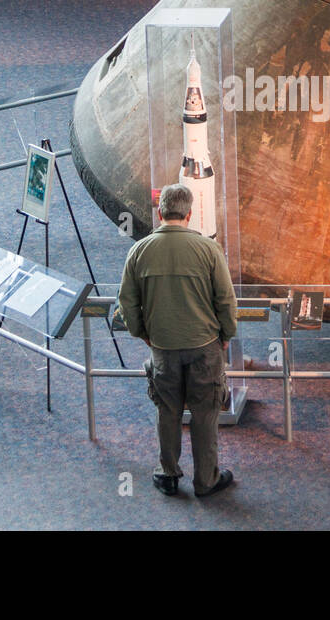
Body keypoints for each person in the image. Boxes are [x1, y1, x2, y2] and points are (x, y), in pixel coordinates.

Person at [117, 183, 238, 498]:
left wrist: (143, 334)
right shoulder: (209, 250)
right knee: (205, 412)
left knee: (167, 409)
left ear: (160, 212)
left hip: (163, 348)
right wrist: (226, 335)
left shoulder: (140, 251)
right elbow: (226, 300)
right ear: (191, 213)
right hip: (205, 346)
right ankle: (206, 480)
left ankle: (168, 473)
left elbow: (127, 304)